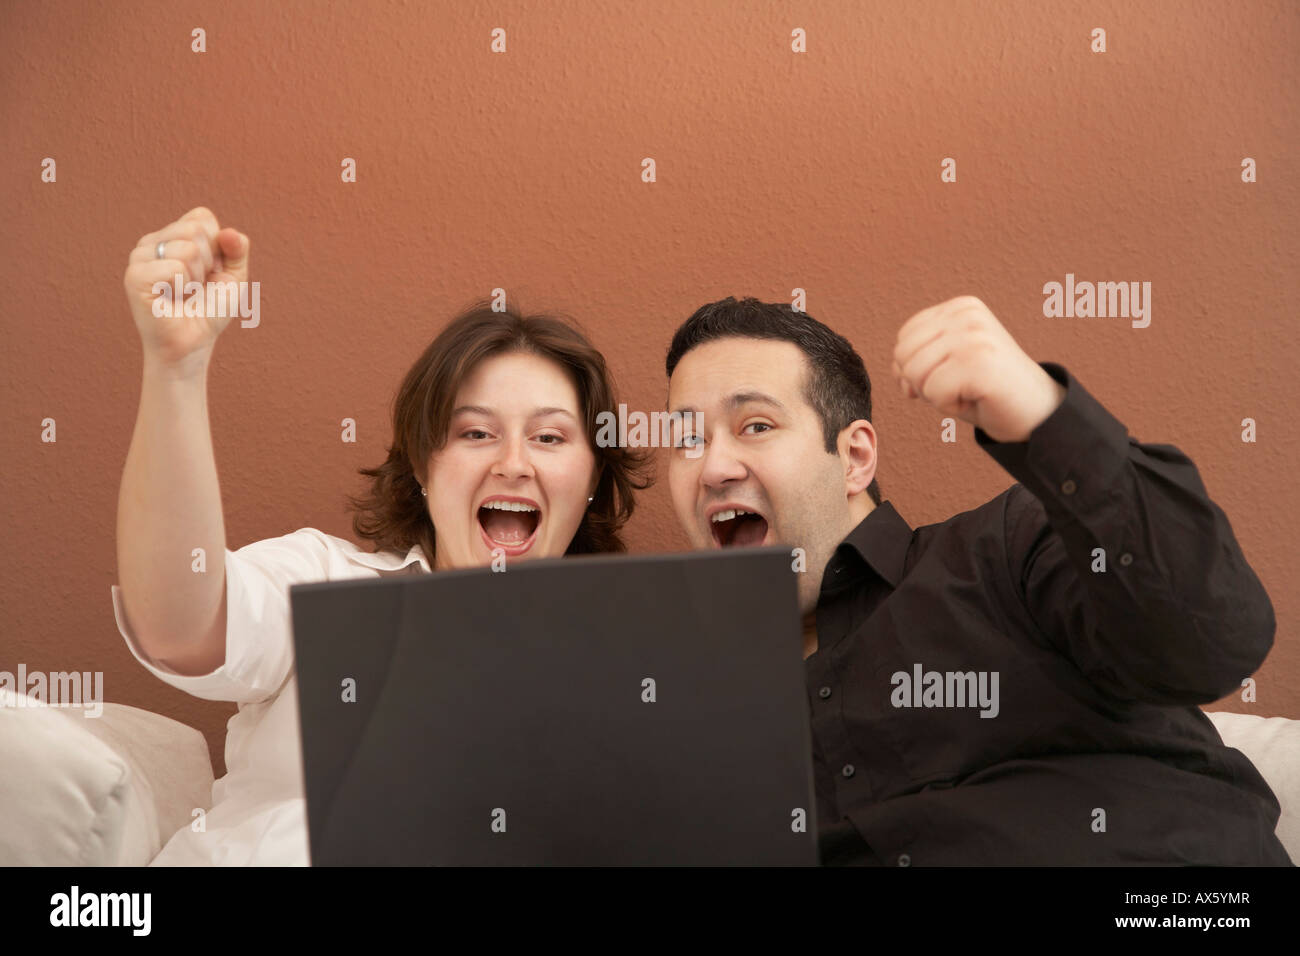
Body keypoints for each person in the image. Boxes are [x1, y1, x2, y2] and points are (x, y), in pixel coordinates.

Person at [663, 294, 1292, 865]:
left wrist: (1044, 416)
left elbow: (1213, 641)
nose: (714, 465)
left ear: (854, 458)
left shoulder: (1008, 548)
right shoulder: (697, 720)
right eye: (686, 439)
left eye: (756, 426)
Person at [112, 207, 648, 865]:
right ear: (423, 467)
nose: (513, 462)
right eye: (475, 433)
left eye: (549, 437)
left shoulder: (638, 680)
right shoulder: (321, 582)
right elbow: (178, 627)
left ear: (592, 479)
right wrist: (175, 370)